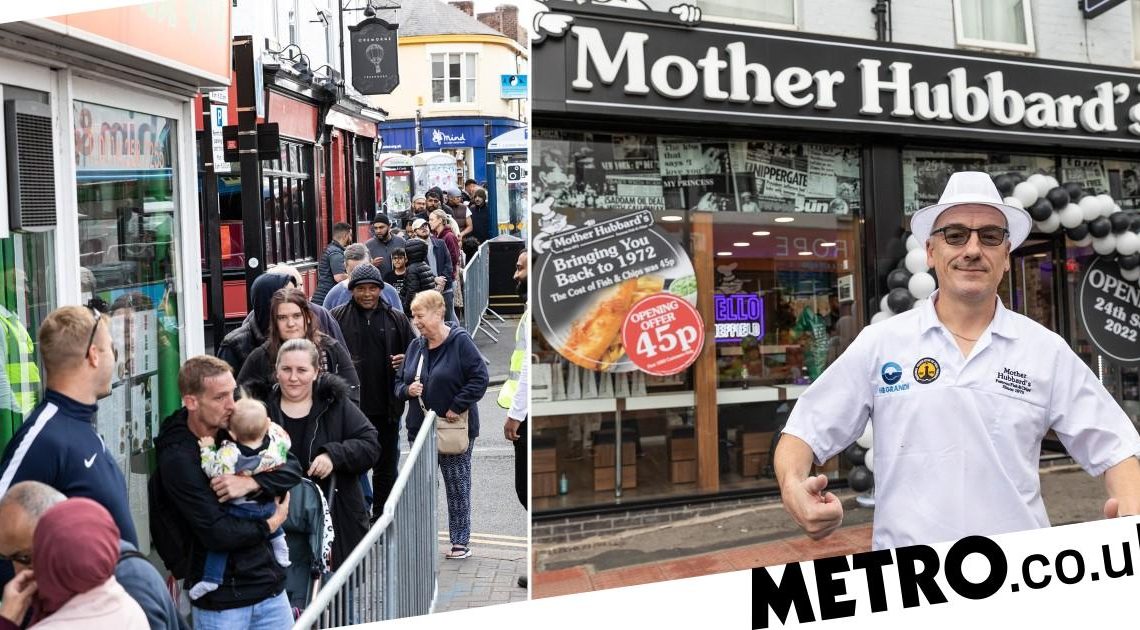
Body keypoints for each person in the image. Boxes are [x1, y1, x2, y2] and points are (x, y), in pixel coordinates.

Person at [775, 171, 1140, 551]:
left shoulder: (1044, 350)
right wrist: (793, 486)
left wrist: (1131, 506)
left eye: (990, 236)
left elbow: (1115, 446)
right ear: (932, 252)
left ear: (1005, 254)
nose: (972, 249)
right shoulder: (882, 344)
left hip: (1019, 576)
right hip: (911, 582)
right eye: (955, 235)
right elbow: (804, 431)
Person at [154, 356, 299, 627]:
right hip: (221, 602)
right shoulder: (178, 457)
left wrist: (253, 483)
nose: (232, 405)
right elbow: (217, 532)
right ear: (191, 402)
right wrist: (272, 523)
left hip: (270, 589)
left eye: (233, 393)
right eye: (220, 397)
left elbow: (291, 467)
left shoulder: (236, 425)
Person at [0, 305, 137, 547]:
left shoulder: (79, 427)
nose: (115, 358)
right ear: (94, 355)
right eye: (111, 349)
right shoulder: (45, 438)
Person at [0, 481, 184, 630]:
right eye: (4, 558)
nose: (17, 572)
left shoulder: (127, 581)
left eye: (25, 558)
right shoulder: (94, 580)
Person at [263, 338, 379, 567]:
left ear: (316, 372)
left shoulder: (335, 404)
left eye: (302, 370)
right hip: (276, 522)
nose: (293, 377)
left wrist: (333, 455)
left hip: (334, 515)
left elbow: (370, 444)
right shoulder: (261, 409)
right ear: (276, 372)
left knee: (334, 597)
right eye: (286, 369)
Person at [396, 290, 488, 560]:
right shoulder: (416, 347)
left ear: (439, 313)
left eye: (420, 315)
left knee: (457, 486)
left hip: (453, 429)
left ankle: (460, 541)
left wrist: (457, 405)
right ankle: (423, 540)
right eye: (413, 316)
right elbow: (398, 384)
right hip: (419, 429)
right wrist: (407, 390)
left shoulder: (460, 342)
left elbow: (479, 378)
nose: (416, 322)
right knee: (421, 488)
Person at [331, 265, 415, 519]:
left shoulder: (396, 319)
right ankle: (357, 517)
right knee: (352, 466)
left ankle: (381, 518)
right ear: (351, 290)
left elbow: (415, 355)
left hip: (386, 407)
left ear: (381, 289)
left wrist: (406, 361)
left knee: (386, 466)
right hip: (351, 409)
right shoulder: (336, 317)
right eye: (361, 289)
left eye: (372, 288)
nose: (367, 294)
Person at [191, 398, 292, 601]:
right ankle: (281, 547)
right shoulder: (275, 446)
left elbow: (214, 471)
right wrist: (268, 426)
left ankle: (211, 578)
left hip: (240, 508)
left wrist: (207, 449)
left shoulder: (230, 451)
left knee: (219, 544)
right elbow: (286, 441)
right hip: (266, 505)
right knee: (273, 520)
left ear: (232, 433)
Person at [238, 287, 360, 404]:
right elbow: (240, 400)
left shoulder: (331, 350)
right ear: (275, 322)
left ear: (307, 317)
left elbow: (352, 395)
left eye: (296, 316)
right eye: (282, 318)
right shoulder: (260, 357)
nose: (290, 323)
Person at [217, 270, 346, 375]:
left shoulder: (320, 336)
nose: (292, 299)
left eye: (294, 292)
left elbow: (348, 380)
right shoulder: (236, 345)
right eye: (286, 293)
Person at [499, 252, 529, 589]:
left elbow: (529, 367)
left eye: (521, 268)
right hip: (532, 411)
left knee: (529, 490)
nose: (515, 274)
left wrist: (515, 416)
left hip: (530, 415)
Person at [322, 243, 401, 312]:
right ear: (345, 267)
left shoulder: (389, 292)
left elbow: (401, 324)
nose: (359, 276)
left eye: (364, 269)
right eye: (353, 272)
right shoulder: (334, 295)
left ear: (372, 263)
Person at [411, 218, 455, 322]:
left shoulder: (440, 243)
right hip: (426, 291)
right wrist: (434, 279)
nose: (424, 228)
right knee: (431, 321)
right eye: (421, 227)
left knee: (448, 321)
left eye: (426, 225)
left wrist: (442, 282)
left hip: (445, 288)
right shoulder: (413, 248)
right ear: (414, 231)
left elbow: (448, 264)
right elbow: (417, 269)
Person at [400, 235, 441, 317]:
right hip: (426, 306)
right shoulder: (424, 265)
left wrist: (406, 308)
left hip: (417, 310)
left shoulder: (412, 269)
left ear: (410, 252)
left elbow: (412, 291)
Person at [312, 222, 352, 305]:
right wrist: (356, 276)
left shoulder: (332, 249)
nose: (351, 238)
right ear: (345, 236)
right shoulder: (335, 252)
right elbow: (339, 277)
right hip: (326, 298)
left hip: (324, 296)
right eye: (350, 235)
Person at [365, 214, 406, 279]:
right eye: (376, 228)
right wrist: (371, 264)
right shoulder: (368, 245)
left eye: (381, 227)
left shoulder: (401, 242)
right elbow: (363, 268)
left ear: (389, 227)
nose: (378, 231)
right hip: (378, 284)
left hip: (398, 283)